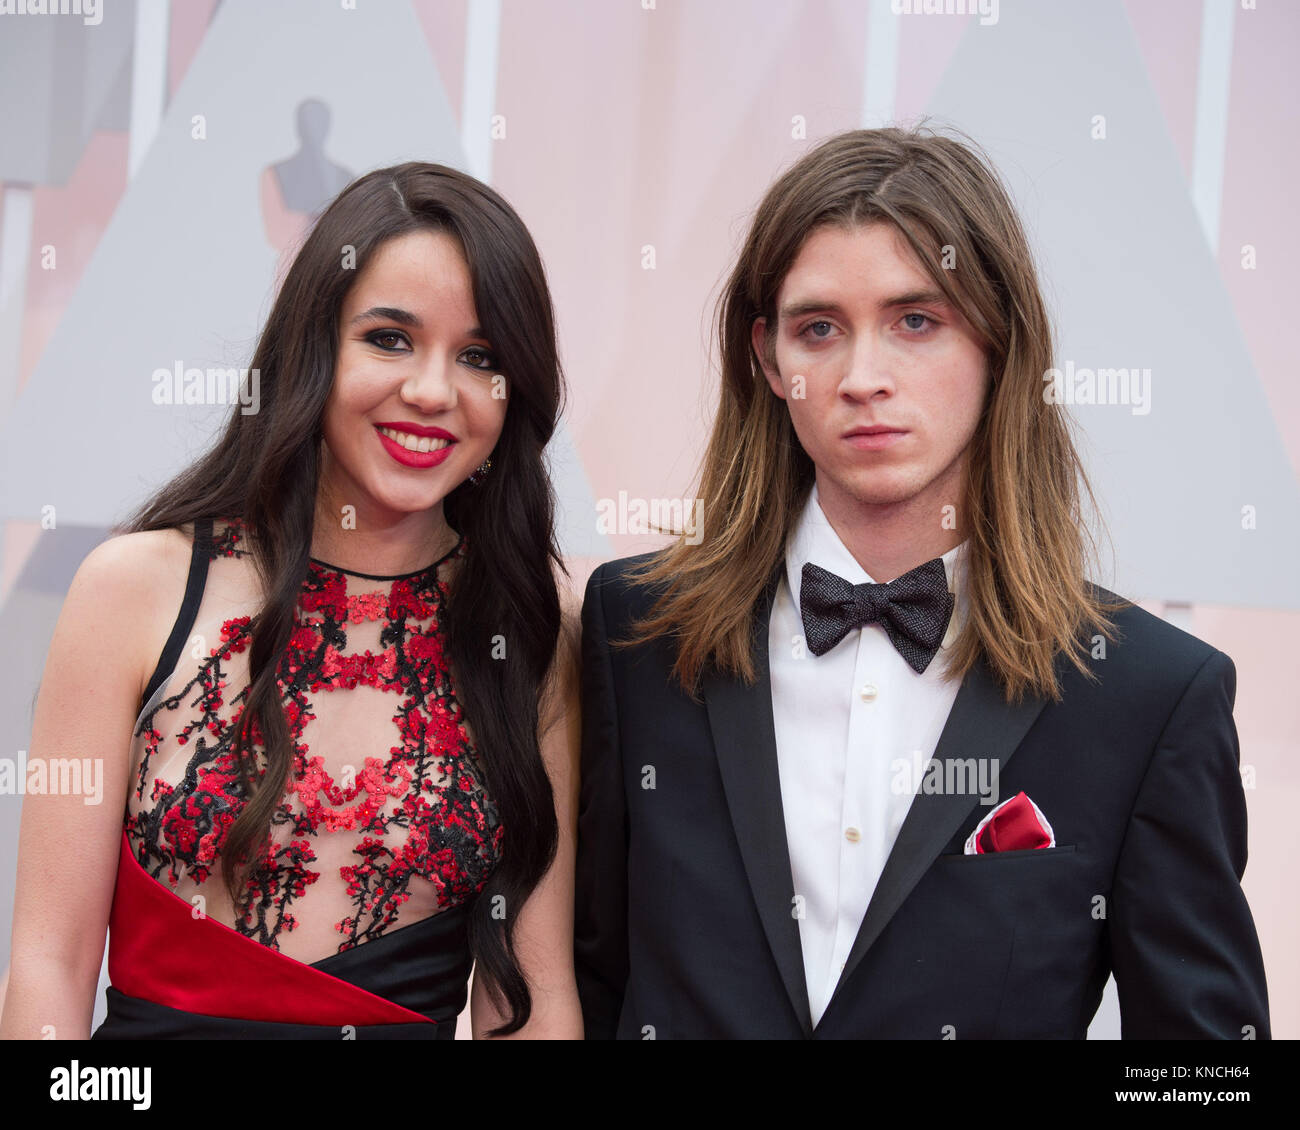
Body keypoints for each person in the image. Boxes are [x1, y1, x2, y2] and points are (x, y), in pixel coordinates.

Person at [574, 126, 1270, 1039]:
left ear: (998, 341)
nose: (863, 378)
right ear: (767, 359)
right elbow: (587, 988)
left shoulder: (1149, 694)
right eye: (818, 329)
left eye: (916, 322)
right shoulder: (636, 629)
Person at [1, 162, 582, 1040]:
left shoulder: (532, 637)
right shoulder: (130, 590)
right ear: (315, 345)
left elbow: (533, 1006)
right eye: (390, 338)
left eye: (479, 357)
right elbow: (50, 964)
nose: (432, 390)